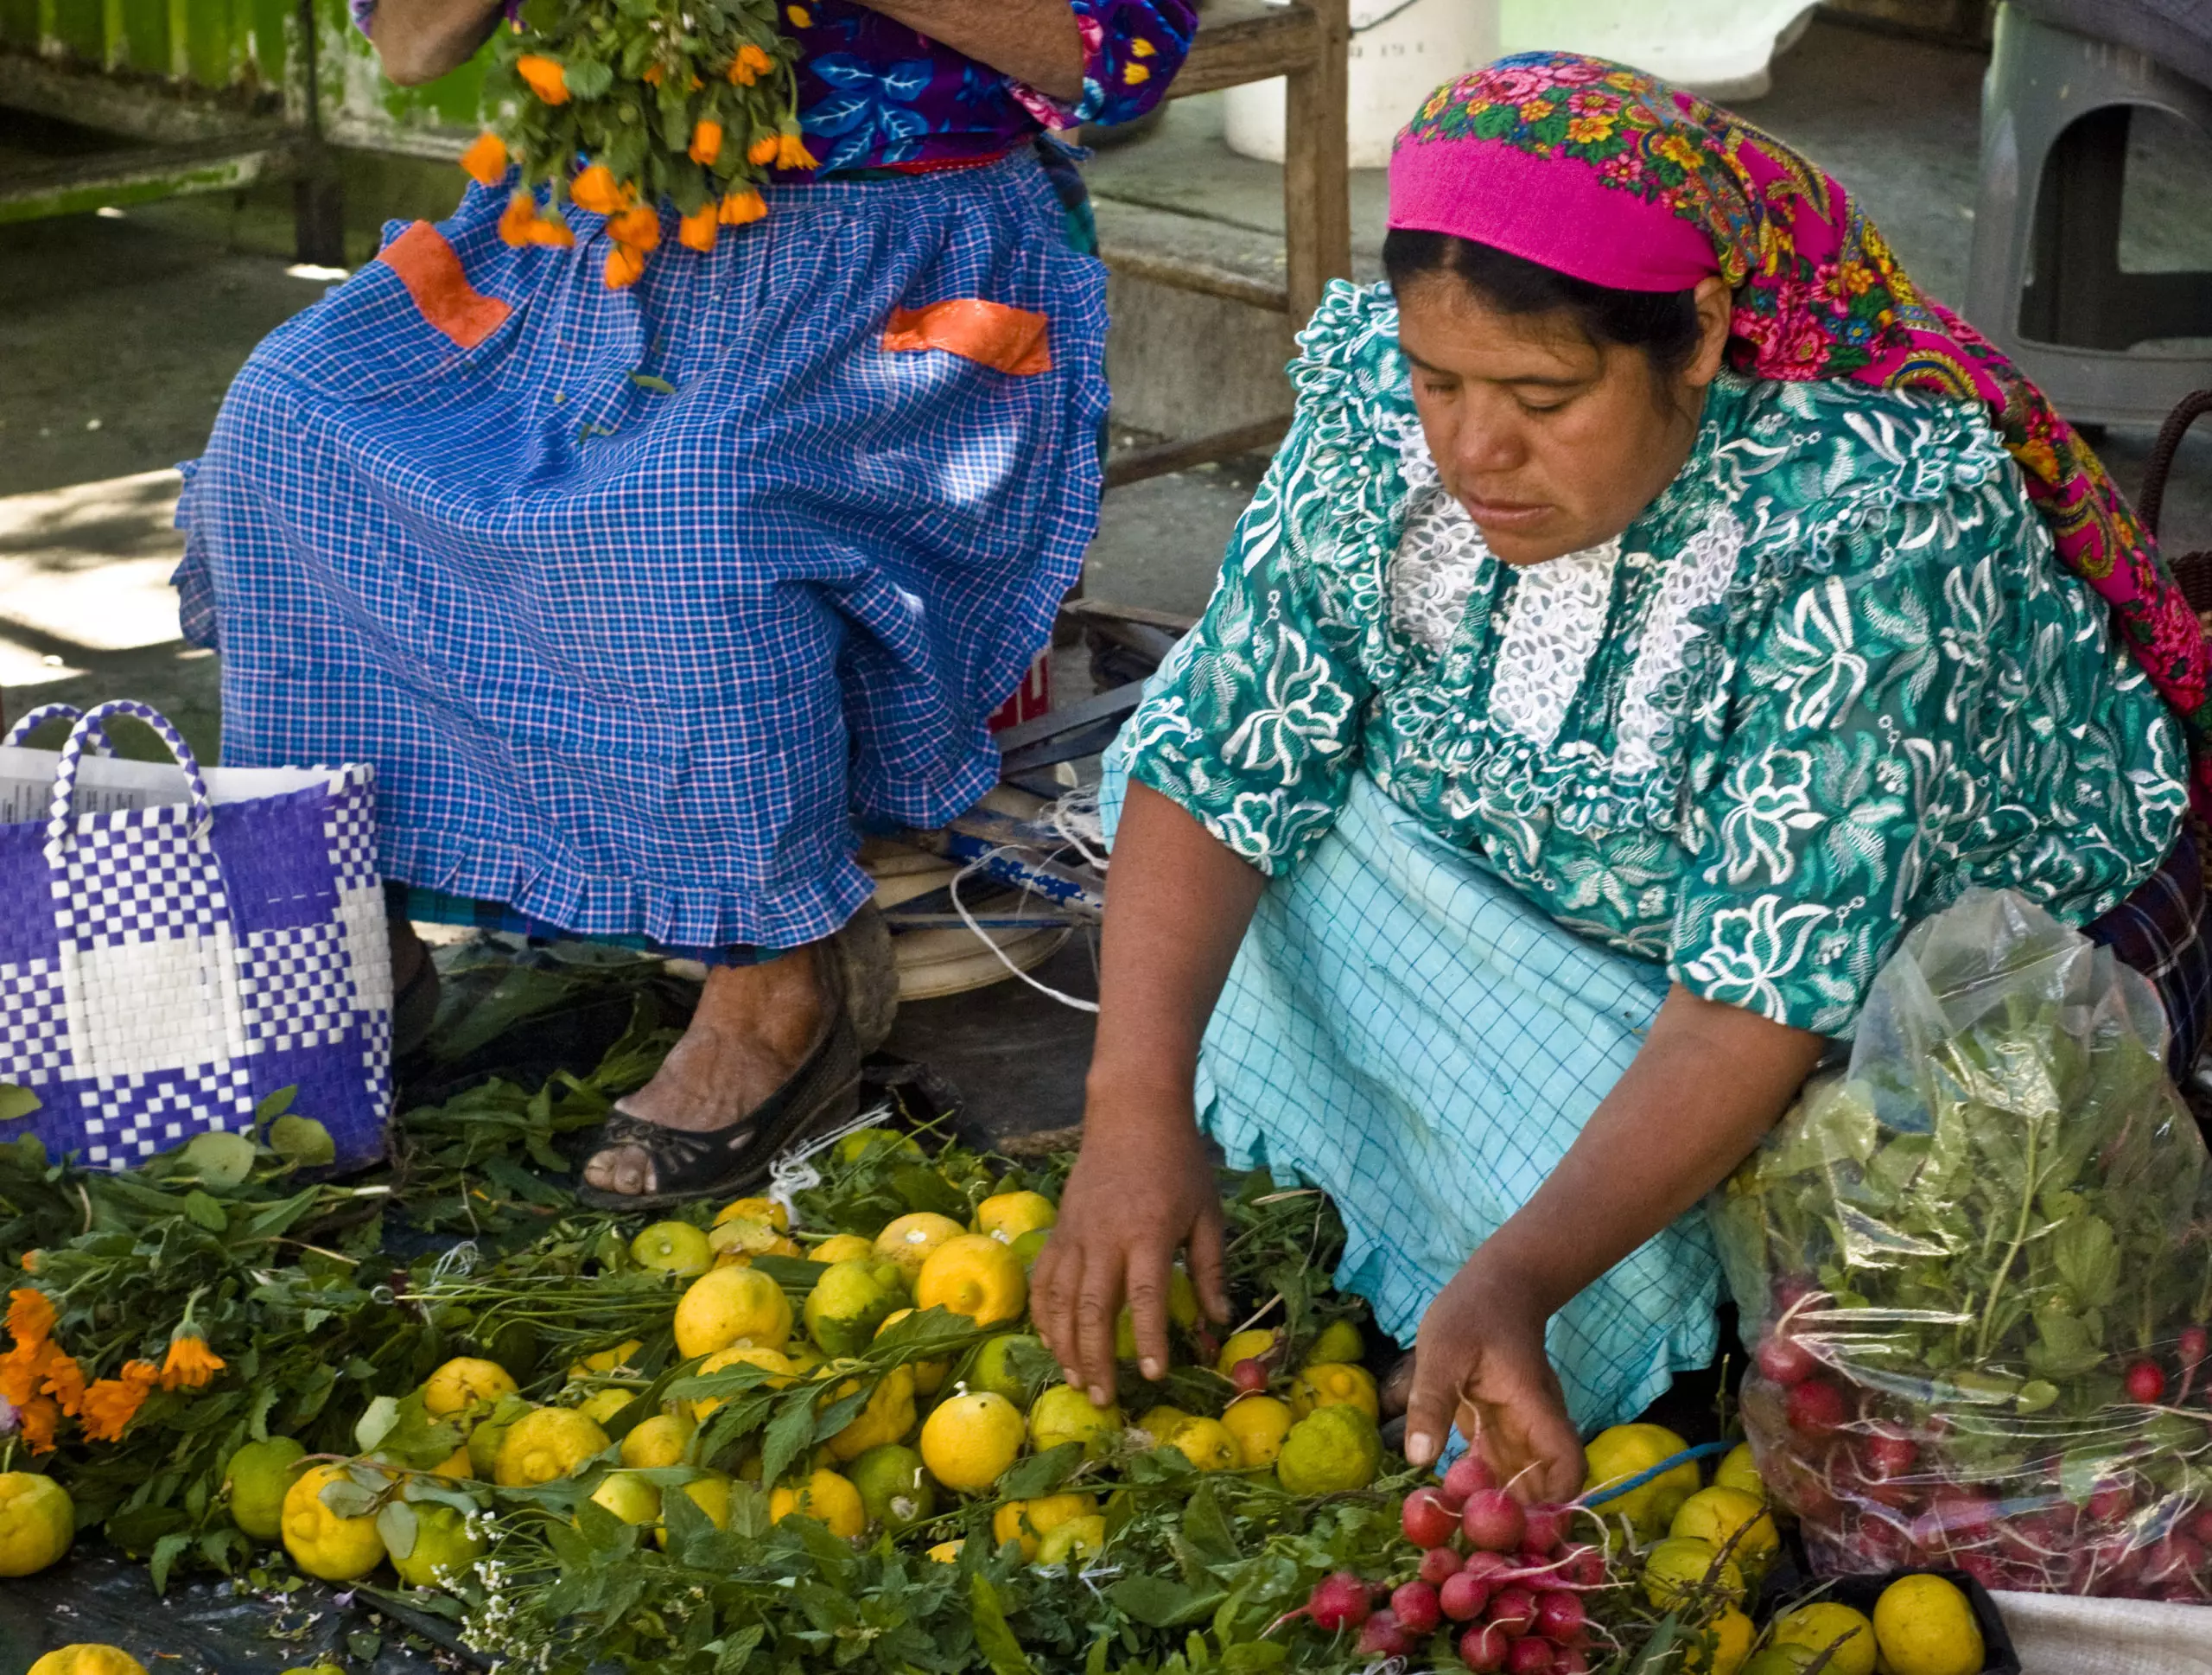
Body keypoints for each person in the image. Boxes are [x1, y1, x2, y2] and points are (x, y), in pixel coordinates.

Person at [1033, 53, 2212, 1500]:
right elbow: (1229, 735)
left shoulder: (1867, 526)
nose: (1473, 447)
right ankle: (1419, 1228)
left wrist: (1523, 1268)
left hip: (1859, 987)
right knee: (1217, 826)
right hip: (1534, 896)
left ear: (1701, 334)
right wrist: (1129, 1108)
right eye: (1439, 377)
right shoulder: (1377, 414)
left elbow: (1760, 989)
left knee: (1791, 1191)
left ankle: (1538, 1297)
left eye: (1544, 392)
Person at [175, 0, 1195, 1207]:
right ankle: (355, 937)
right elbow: (410, 44)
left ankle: (779, 983)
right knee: (286, 424)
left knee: (690, 508)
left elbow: (1118, 59)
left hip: (892, 259)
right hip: (586, 239)